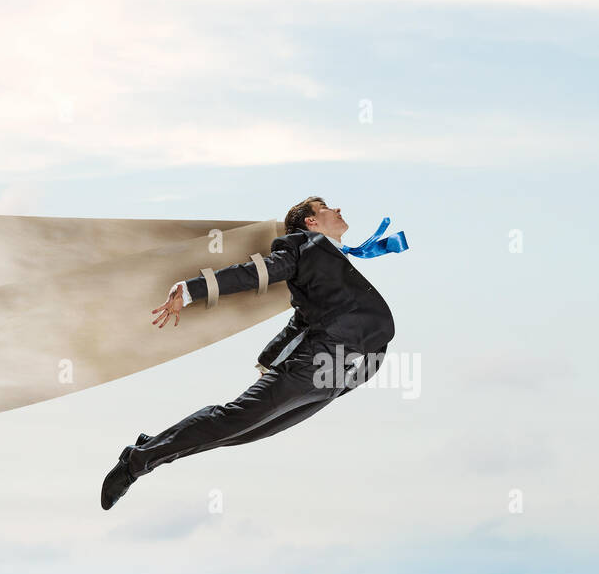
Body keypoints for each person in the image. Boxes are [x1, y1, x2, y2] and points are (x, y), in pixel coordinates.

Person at [100, 197, 402, 509]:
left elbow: (305, 315)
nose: (338, 210)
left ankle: (154, 446)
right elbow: (254, 273)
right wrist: (191, 290)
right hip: (319, 361)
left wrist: (271, 359)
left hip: (342, 370)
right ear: (310, 222)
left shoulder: (329, 261)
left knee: (250, 431)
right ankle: (137, 462)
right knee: (234, 419)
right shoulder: (301, 245)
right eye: (326, 207)